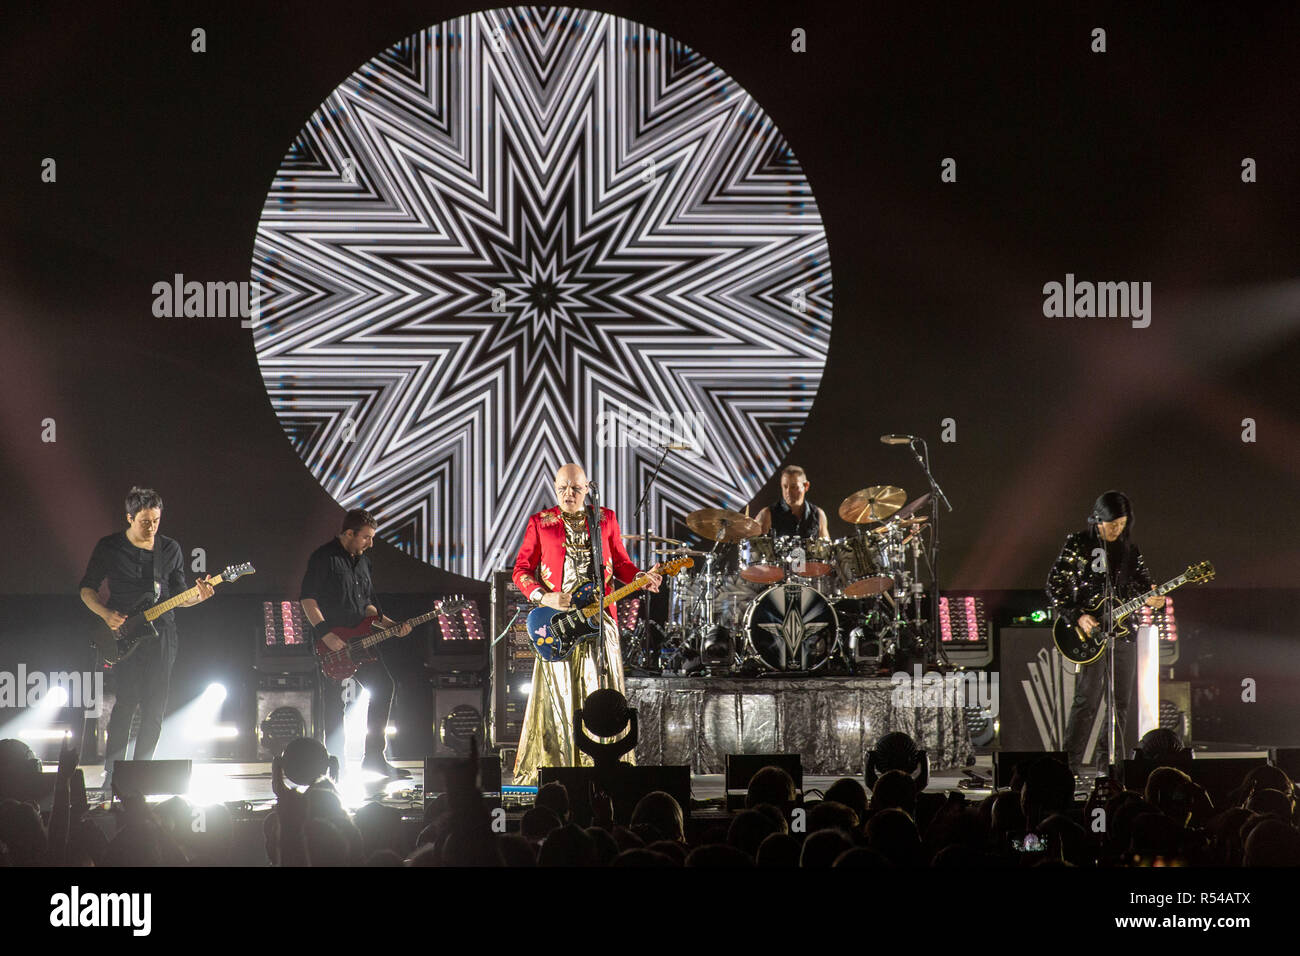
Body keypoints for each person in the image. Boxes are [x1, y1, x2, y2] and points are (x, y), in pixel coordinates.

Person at [511, 464, 661, 785]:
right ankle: (562, 765)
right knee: (562, 691)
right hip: (559, 622)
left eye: (575, 489)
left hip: (599, 618)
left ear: (587, 489)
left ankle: (606, 764)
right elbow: (521, 570)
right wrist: (544, 597)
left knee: (601, 686)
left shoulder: (604, 519)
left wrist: (639, 578)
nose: (568, 494)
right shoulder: (541, 523)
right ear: (554, 487)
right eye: (562, 488)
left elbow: (620, 561)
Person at [78, 487, 214, 794]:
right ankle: (113, 775)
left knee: (155, 709)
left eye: (156, 520)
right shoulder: (109, 547)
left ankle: (141, 777)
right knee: (126, 704)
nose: (151, 526)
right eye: (144, 521)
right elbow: (86, 588)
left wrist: (199, 597)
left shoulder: (170, 549)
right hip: (124, 635)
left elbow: (180, 597)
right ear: (129, 517)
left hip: (163, 635)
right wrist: (104, 613)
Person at [1046, 491, 1163, 776]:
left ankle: (1110, 766)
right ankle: (1069, 765)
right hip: (1091, 634)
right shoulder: (1078, 544)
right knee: (1087, 700)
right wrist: (1078, 615)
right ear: (1098, 520)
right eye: (1112, 524)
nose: (1117, 530)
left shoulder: (1129, 551)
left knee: (1120, 703)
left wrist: (1153, 598)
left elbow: (1142, 584)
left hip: (1122, 634)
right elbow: (1054, 585)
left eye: (1122, 524)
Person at [300, 509, 411, 778]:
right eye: (366, 537)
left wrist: (393, 626)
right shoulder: (323, 557)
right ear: (349, 533)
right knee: (333, 703)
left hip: (361, 640)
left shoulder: (364, 563)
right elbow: (308, 600)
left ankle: (374, 757)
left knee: (384, 687)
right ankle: (334, 763)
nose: (370, 543)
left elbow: (369, 606)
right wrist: (326, 633)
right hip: (332, 643)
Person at [755, 465, 830, 539]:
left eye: (793, 487)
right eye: (785, 486)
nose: (788, 491)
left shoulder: (819, 514)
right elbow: (756, 548)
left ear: (806, 486)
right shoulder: (767, 514)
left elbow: (826, 548)